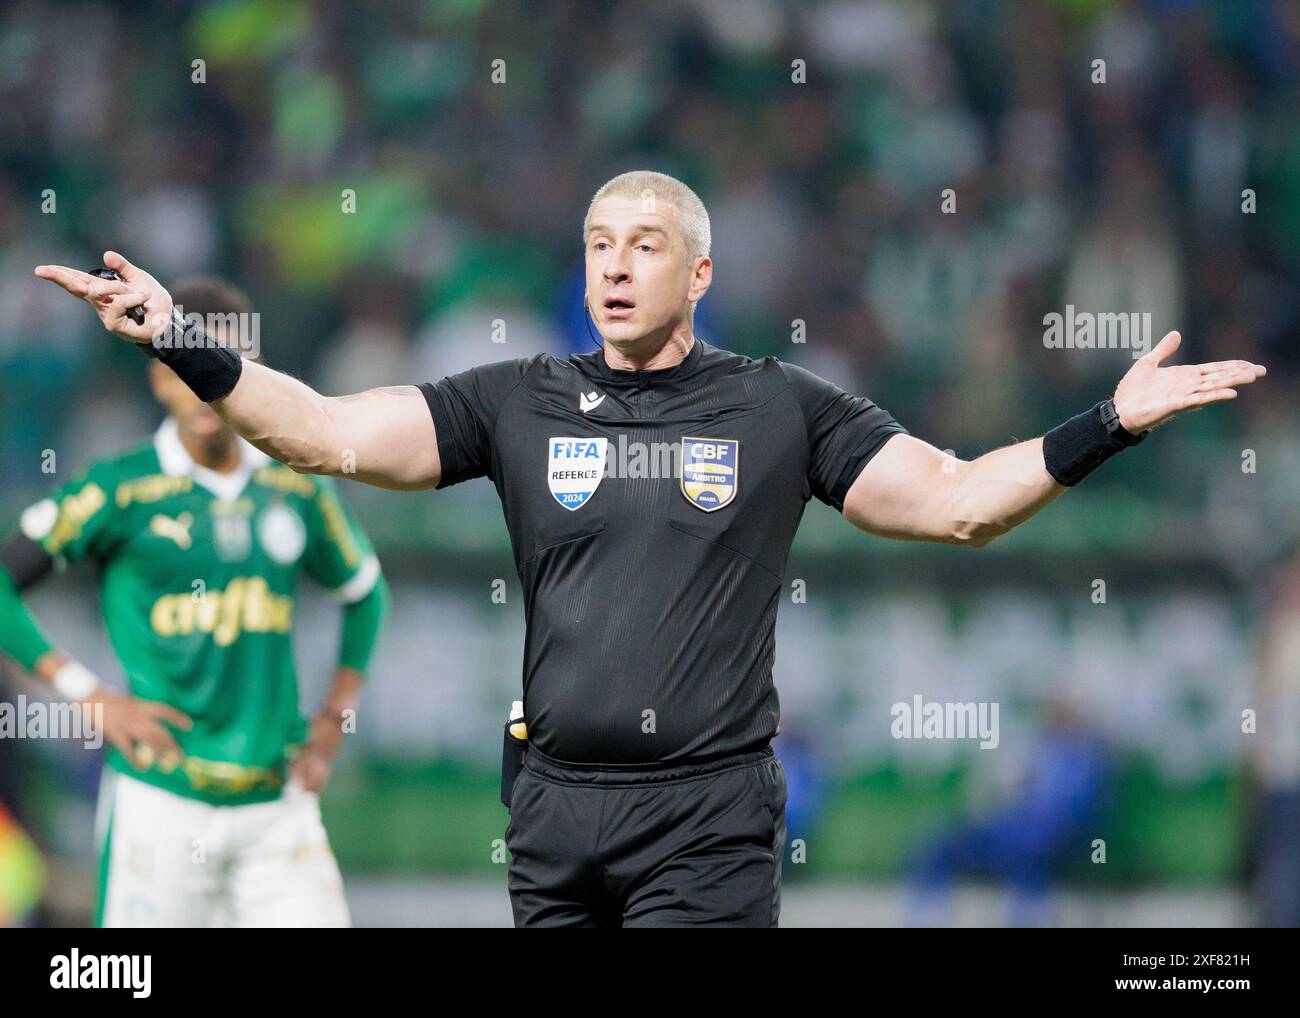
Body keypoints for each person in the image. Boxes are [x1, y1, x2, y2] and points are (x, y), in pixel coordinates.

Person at [34, 170, 1266, 927]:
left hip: (706, 816)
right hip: (555, 813)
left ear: (702, 270)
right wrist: (183, 338)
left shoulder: (782, 406)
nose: (614, 266)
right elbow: (322, 431)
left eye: (644, 244)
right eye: (596, 244)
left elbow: (954, 501)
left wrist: (1105, 423)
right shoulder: (516, 398)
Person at [0, 276, 389, 927]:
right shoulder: (119, 491)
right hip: (160, 804)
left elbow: (365, 593)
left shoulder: (296, 487)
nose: (203, 382)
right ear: (156, 376)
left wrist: (333, 718)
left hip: (276, 807)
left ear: (250, 371)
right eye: (184, 361)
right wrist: (89, 696)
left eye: (221, 361)